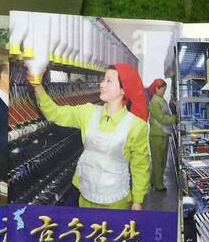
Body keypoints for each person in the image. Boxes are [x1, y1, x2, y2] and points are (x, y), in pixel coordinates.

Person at [28, 61, 150, 210]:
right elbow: (55, 113)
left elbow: (140, 166)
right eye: (103, 80)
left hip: (115, 200)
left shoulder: (136, 126)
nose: (102, 84)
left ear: (123, 90)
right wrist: (37, 86)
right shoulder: (88, 112)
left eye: (109, 81)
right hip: (85, 195)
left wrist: (137, 201)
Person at [146, 78, 178, 193]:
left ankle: (155, 181)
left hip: (162, 134)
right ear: (156, 89)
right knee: (158, 161)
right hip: (157, 136)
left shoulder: (161, 99)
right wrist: (175, 118)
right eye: (163, 89)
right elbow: (162, 118)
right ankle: (158, 185)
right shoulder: (155, 102)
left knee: (162, 161)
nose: (164, 91)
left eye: (165, 89)